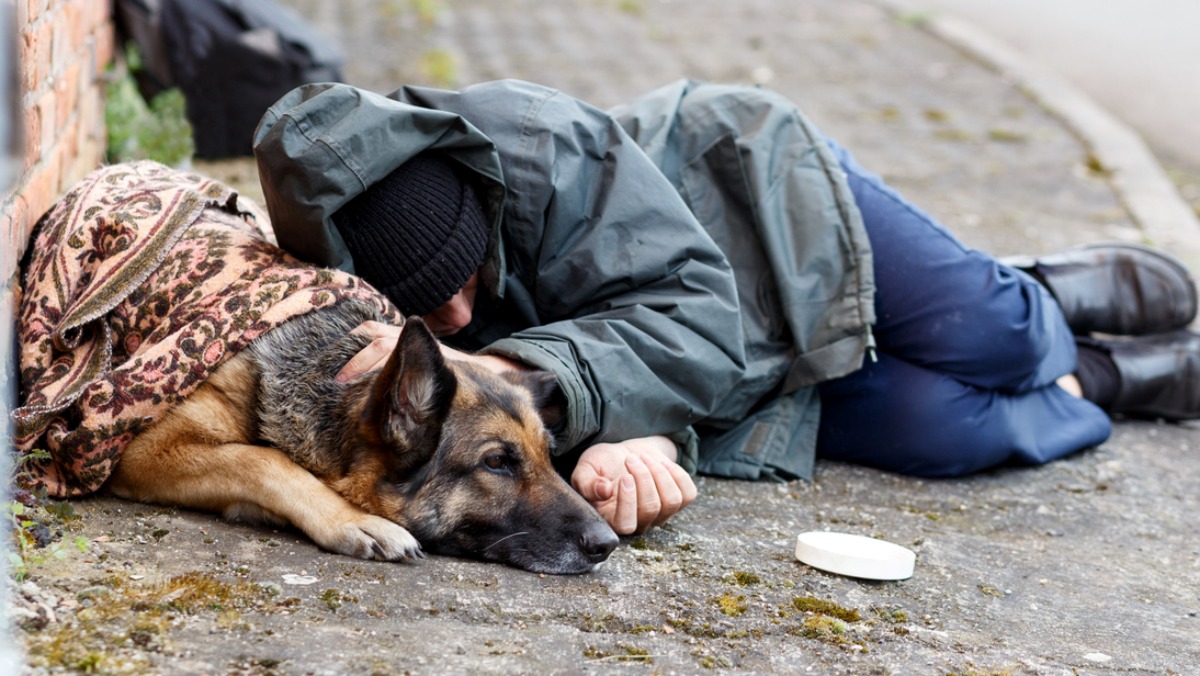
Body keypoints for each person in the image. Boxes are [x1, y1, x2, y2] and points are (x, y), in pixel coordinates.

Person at [252, 79, 1200, 535]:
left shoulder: (537, 141)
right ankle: (1103, 375)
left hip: (756, 212)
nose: (455, 320)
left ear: (472, 199)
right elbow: (563, 420)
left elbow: (689, 308)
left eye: (466, 277)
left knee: (994, 337)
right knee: (943, 429)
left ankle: (1038, 291)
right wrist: (645, 447)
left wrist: (513, 371)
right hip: (717, 370)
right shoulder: (360, 306)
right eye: (426, 304)